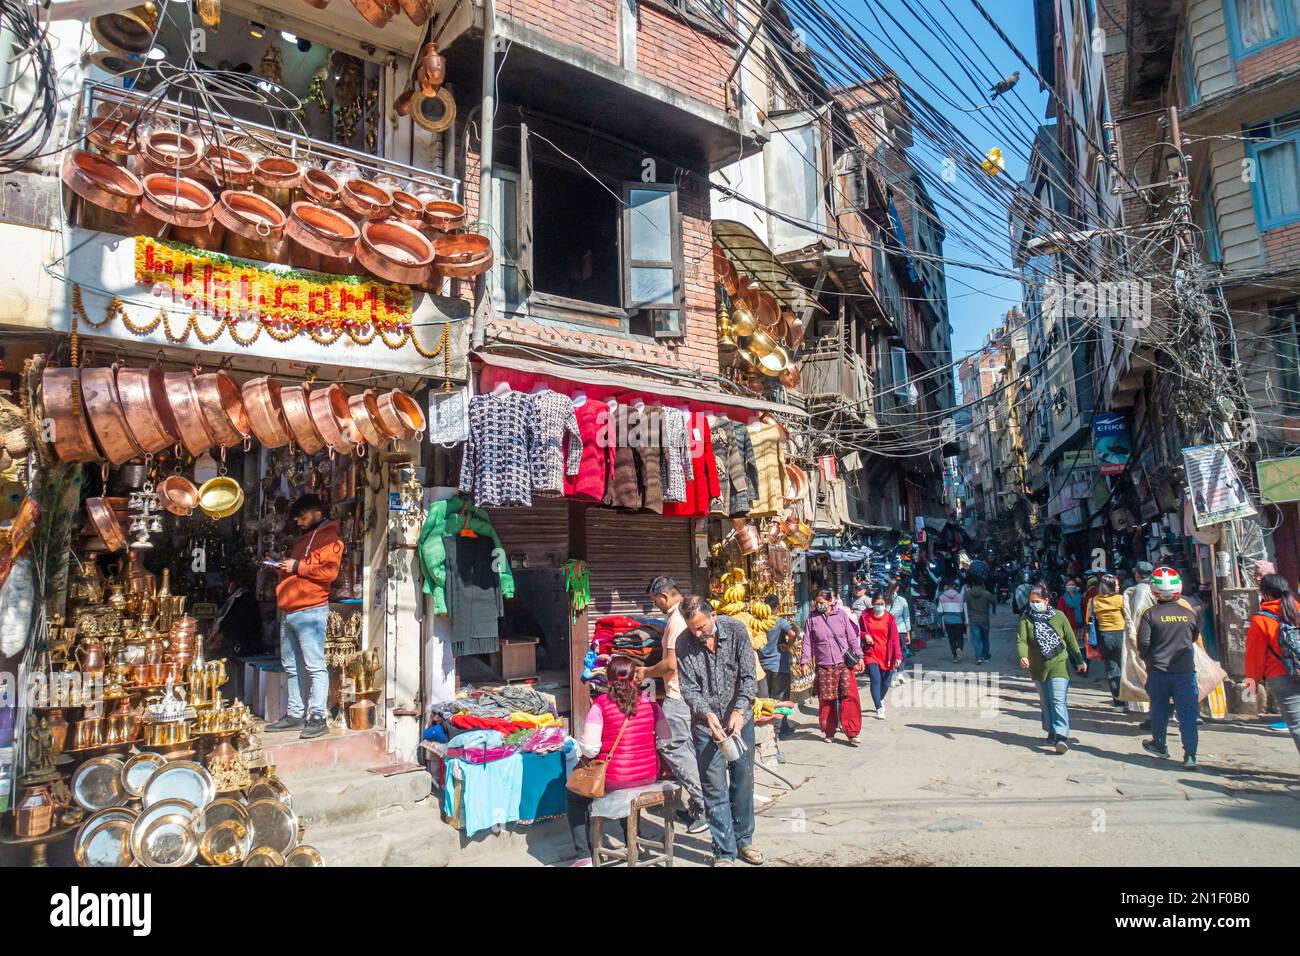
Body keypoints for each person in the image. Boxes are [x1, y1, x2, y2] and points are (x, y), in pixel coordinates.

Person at [676, 595, 763, 866]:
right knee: (714, 788)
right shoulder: (683, 643)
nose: (698, 632)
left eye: (701, 626)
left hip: (740, 719)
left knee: (743, 781)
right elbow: (688, 687)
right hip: (706, 725)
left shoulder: (736, 629)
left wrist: (738, 711)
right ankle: (724, 852)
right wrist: (706, 713)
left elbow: (749, 677)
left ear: (713, 615)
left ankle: (743, 841)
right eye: (692, 628)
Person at [566, 655, 671, 866]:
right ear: (635, 677)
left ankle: (583, 856)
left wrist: (580, 750)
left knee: (574, 797)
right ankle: (635, 840)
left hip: (614, 780)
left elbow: (591, 749)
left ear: (608, 678)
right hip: (647, 777)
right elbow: (666, 738)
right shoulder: (650, 703)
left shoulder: (600, 705)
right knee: (630, 788)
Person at [266, 494, 343, 739]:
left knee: (314, 666)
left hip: (310, 610)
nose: (299, 521)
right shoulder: (305, 539)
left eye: (303, 516)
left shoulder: (330, 538)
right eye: (297, 517)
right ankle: (296, 714)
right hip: (291, 610)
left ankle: (318, 717)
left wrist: (297, 567)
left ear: (318, 515)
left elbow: (330, 573)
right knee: (292, 667)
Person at [634, 575, 707, 833]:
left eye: (656, 601)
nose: (657, 607)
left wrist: (646, 672)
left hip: (678, 695)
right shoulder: (687, 614)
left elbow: (671, 664)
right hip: (689, 694)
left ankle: (703, 804)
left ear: (665, 597)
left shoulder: (677, 620)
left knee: (670, 745)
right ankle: (700, 808)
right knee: (688, 750)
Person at [1137, 567, 1201, 770]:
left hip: (1158, 671)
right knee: (1188, 714)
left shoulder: (1150, 614)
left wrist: (1149, 659)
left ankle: (1159, 745)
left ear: (1154, 591)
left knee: (1159, 710)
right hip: (1185, 672)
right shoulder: (1188, 613)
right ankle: (1190, 755)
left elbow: (1143, 644)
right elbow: (1193, 637)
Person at [1017, 585, 1085, 753]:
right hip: (1037, 667)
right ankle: (1051, 730)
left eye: (1037, 601)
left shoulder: (1059, 617)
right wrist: (1023, 656)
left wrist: (1079, 659)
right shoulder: (1026, 618)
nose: (1034, 605)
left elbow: (1070, 640)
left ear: (1046, 601)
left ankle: (1062, 735)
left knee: (1057, 700)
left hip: (1059, 664)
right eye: (1031, 602)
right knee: (1046, 702)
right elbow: (1022, 640)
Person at [1246, 574, 1300, 758]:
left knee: (1297, 725)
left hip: (1281, 676)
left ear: (1266, 595)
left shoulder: (1261, 620)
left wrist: (1251, 685)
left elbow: (1254, 657)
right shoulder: (1298, 611)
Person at [802, 588, 864, 744]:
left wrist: (860, 656)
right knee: (827, 700)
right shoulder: (812, 618)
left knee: (849, 697)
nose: (818, 605)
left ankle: (852, 733)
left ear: (831, 601)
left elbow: (852, 638)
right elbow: (807, 642)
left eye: (821, 602)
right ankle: (829, 731)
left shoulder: (841, 615)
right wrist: (804, 661)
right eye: (816, 602)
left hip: (843, 663)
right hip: (824, 665)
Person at [756, 594, 797, 738]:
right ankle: (780, 730)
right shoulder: (779, 621)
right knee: (780, 698)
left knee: (766, 700)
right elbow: (792, 633)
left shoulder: (758, 622)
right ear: (777, 607)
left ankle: (770, 729)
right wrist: (788, 645)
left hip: (762, 666)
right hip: (779, 665)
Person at [1122, 562, 1157, 718]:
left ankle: (1154, 715)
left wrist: (1134, 639)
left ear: (1137, 574)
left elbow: (1137, 617)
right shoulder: (1156, 588)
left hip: (1147, 640)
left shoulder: (1141, 591)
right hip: (1159, 638)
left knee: (1149, 677)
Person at [860, 591, 902, 718]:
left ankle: (880, 699)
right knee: (875, 680)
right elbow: (857, 631)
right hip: (871, 653)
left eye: (881, 604)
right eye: (877, 604)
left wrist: (898, 656)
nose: (879, 606)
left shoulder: (890, 619)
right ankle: (878, 707)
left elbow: (895, 639)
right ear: (872, 603)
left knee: (886, 682)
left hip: (886, 655)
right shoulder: (865, 616)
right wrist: (865, 635)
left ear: (885, 604)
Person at [1087, 573, 1127, 707]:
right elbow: (1128, 617)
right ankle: (1129, 698)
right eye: (1116, 584)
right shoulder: (1121, 599)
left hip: (1105, 637)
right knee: (1125, 667)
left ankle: (1119, 703)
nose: (1118, 586)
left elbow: (1090, 620)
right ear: (1110, 586)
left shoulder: (1093, 601)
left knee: (1112, 669)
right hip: (1121, 635)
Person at [964, 577, 996, 665]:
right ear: (982, 584)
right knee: (985, 638)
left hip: (973, 619)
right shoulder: (986, 594)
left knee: (976, 639)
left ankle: (978, 657)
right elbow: (994, 601)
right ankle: (985, 655)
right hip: (985, 619)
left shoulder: (967, 594)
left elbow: (964, 605)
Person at [885, 577, 913, 672]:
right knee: (902, 651)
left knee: (890, 650)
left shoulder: (883, 600)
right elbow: (906, 617)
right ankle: (900, 671)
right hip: (901, 630)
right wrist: (908, 632)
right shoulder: (902, 600)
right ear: (897, 588)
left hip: (887, 629)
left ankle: (893, 670)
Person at [937, 580, 967, 663]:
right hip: (958, 621)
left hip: (947, 621)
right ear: (954, 587)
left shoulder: (942, 597)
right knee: (959, 637)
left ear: (946, 587)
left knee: (951, 639)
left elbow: (940, 610)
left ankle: (955, 656)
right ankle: (959, 648)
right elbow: (962, 609)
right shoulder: (960, 596)